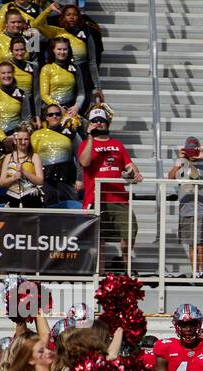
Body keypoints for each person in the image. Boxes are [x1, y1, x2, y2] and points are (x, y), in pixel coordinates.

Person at [78, 107, 143, 270]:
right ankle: (100, 273)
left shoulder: (117, 144)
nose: (98, 123)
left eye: (101, 120)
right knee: (99, 238)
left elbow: (129, 166)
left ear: (106, 123)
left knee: (130, 230)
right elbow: (84, 163)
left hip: (118, 196)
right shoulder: (86, 144)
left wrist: (134, 174)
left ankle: (125, 266)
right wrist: (90, 136)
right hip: (95, 197)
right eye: (94, 121)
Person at [168, 137, 203, 279]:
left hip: (201, 207)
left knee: (201, 243)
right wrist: (178, 164)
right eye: (189, 149)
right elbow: (170, 178)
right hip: (185, 207)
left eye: (194, 149)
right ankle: (195, 272)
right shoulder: (181, 162)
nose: (191, 152)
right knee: (191, 244)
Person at [31, 103, 79, 206]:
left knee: (70, 207)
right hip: (44, 177)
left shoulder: (71, 133)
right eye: (51, 114)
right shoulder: (37, 134)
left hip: (66, 177)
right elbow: (31, 158)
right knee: (48, 206)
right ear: (46, 117)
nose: (54, 116)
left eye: (57, 114)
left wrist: (80, 179)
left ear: (61, 116)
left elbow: (80, 157)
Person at [39, 36, 85, 127]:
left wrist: (77, 107)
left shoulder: (75, 68)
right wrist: (58, 108)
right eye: (59, 49)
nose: (62, 52)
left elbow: (81, 93)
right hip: (51, 110)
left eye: (65, 49)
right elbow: (44, 95)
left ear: (69, 50)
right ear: (53, 50)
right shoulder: (47, 68)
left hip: (70, 109)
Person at [0, 123, 44, 207]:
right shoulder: (8, 157)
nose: (23, 142)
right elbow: (2, 182)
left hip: (31, 198)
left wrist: (24, 172)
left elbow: (40, 181)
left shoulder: (34, 157)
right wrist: (14, 178)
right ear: (15, 141)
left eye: (26, 139)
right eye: (20, 139)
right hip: (12, 197)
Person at [0, 60, 32, 139]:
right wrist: (3, 138)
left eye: (9, 72)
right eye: (3, 73)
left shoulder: (22, 94)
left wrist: (16, 136)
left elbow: (26, 119)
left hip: (16, 136)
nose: (7, 75)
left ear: (13, 74)